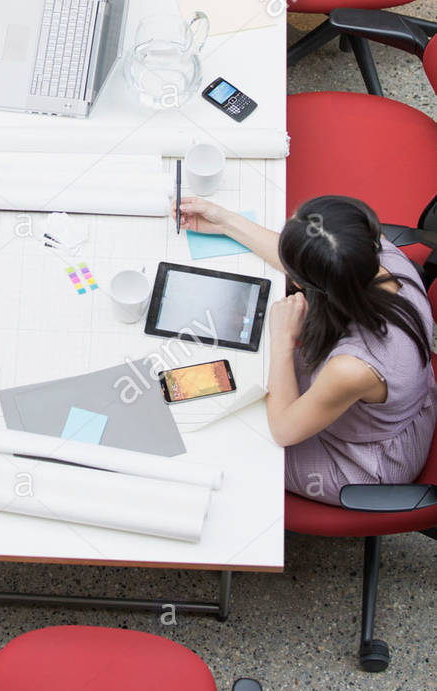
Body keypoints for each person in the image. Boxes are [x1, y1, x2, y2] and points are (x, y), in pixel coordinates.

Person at [178, 194, 437, 504]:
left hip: (364, 462)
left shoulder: (352, 368)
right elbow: (319, 260)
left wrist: (284, 341)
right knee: (230, 376)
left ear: (302, 285)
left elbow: (284, 430)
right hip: (385, 407)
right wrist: (226, 221)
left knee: (225, 435)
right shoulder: (378, 257)